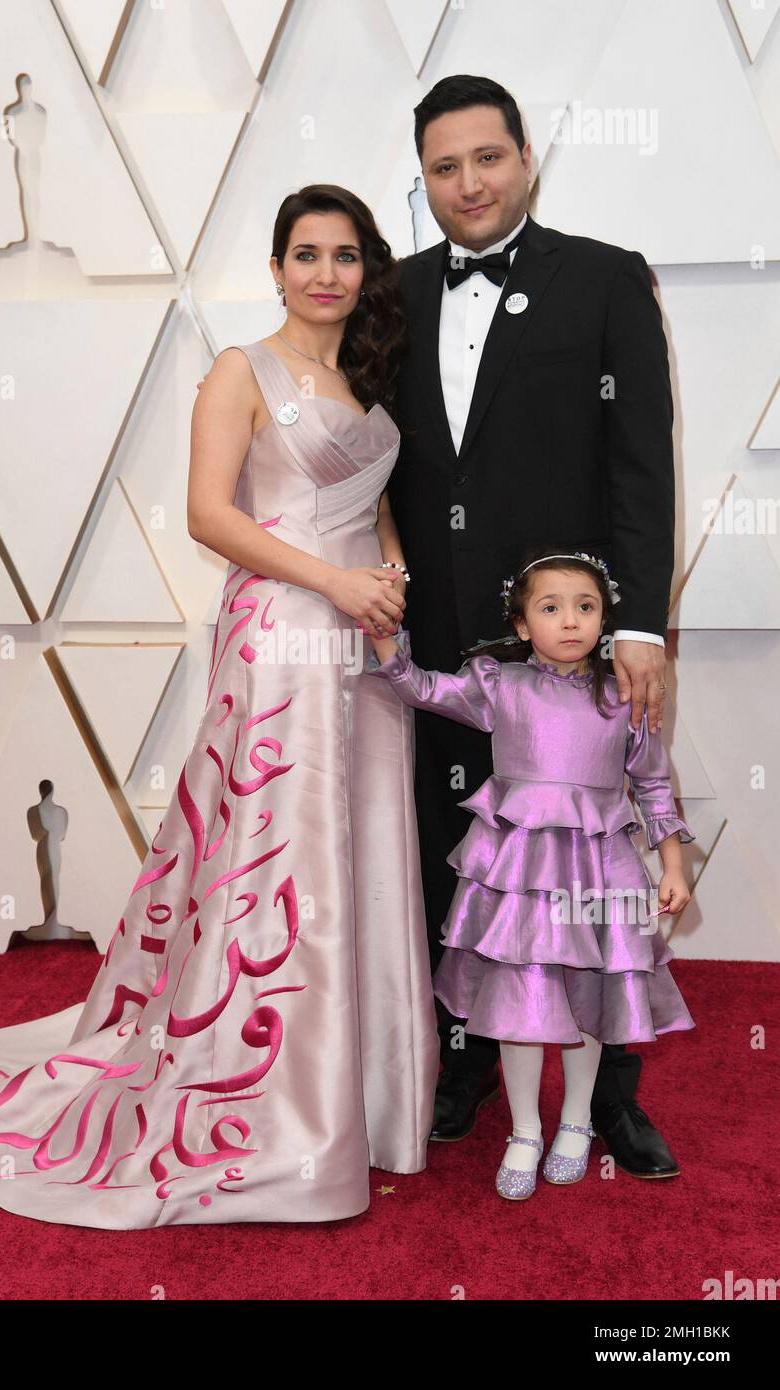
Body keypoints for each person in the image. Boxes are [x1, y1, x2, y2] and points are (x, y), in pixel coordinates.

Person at [0, 184, 439, 1229]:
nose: (326, 272)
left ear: (366, 271)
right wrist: (333, 586)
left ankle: (363, 1095)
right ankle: (270, 1102)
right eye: (306, 253)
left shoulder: (365, 378)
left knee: (354, 854)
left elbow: (382, 510)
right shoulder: (242, 370)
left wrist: (388, 589)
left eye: (346, 255)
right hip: (280, 638)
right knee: (283, 858)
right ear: (274, 267)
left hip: (362, 646)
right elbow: (208, 516)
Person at [387, 73, 684, 1175]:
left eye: (486, 157)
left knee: (598, 871)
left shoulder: (606, 280)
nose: (468, 182)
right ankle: (462, 1056)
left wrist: (640, 625)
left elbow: (642, 464)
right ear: (423, 181)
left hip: (578, 646)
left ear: (526, 159)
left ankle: (609, 1094)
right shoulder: (396, 292)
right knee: (454, 857)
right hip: (442, 638)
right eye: (444, 166)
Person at [365, 548, 695, 1199]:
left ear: (603, 619)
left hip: (605, 872)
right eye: (550, 608)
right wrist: (386, 643)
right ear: (521, 625)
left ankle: (575, 1124)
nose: (569, 621)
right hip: (518, 873)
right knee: (520, 1001)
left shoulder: (620, 695)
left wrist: (674, 865)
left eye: (584, 607)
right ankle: (523, 1130)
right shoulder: (498, 684)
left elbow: (652, 786)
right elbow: (423, 690)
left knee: (592, 999)